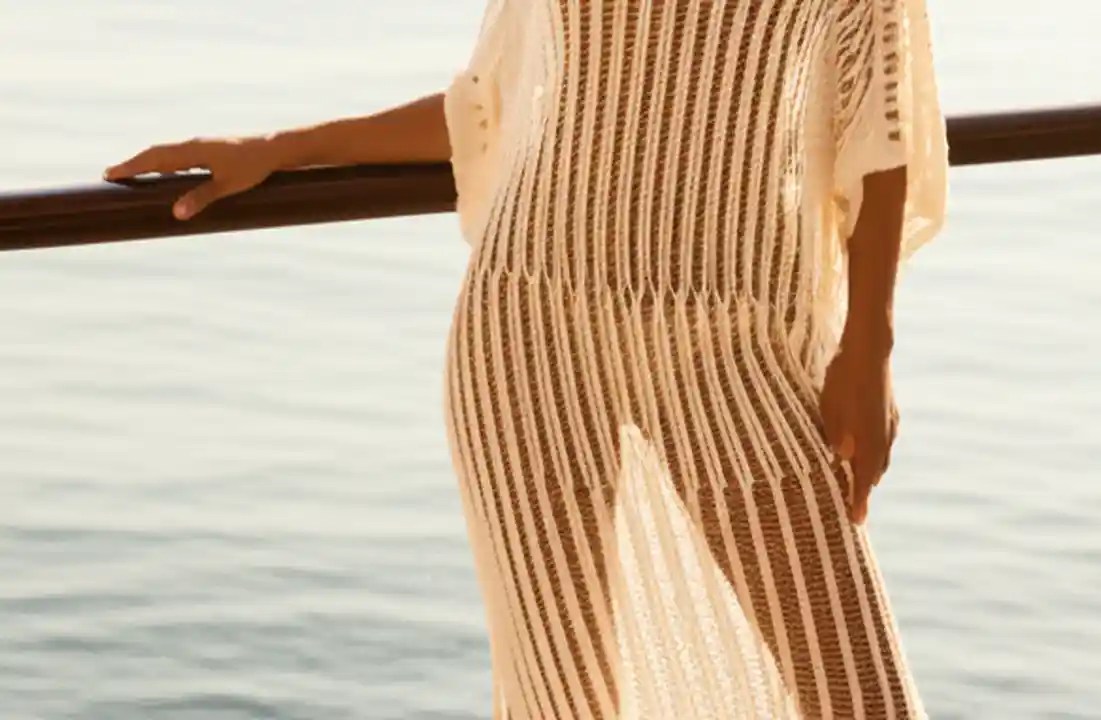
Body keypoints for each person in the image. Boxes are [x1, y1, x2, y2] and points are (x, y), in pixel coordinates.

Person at [105, 0, 948, 717]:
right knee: (562, 698)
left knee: (860, 693)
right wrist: (282, 147)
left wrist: (868, 343)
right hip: (528, 332)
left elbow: (882, 124)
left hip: (734, 343)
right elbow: (493, 107)